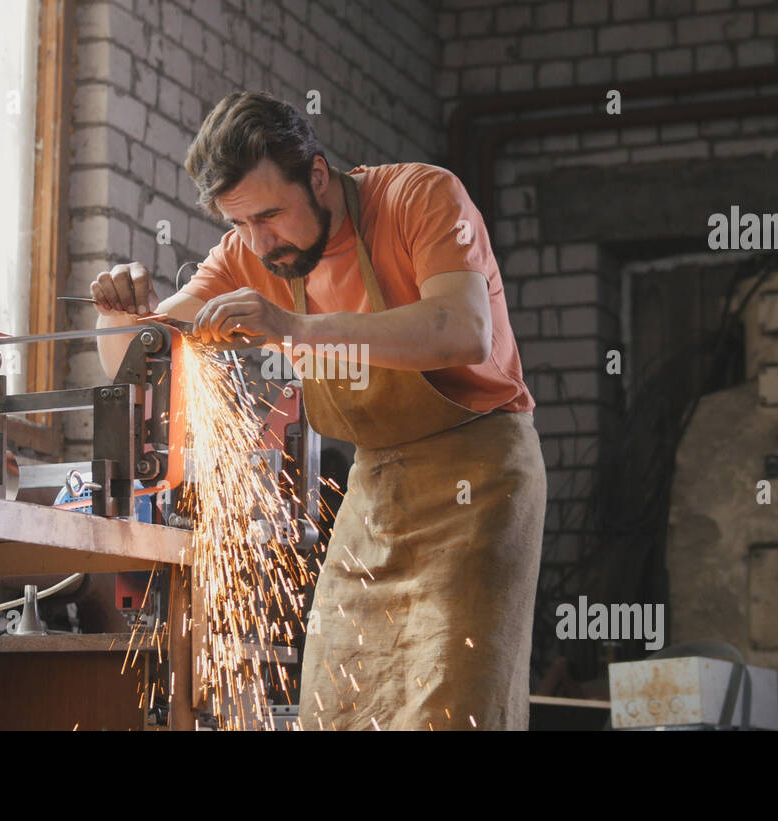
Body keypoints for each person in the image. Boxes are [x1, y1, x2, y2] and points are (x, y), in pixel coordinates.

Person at [90, 91, 545, 731]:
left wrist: (292, 328)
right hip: (378, 484)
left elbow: (462, 329)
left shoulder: (420, 197)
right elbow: (143, 360)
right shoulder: (246, 251)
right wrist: (117, 315)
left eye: (271, 215)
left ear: (319, 175)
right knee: (339, 702)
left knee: (452, 701)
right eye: (241, 222)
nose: (260, 241)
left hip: (481, 474)